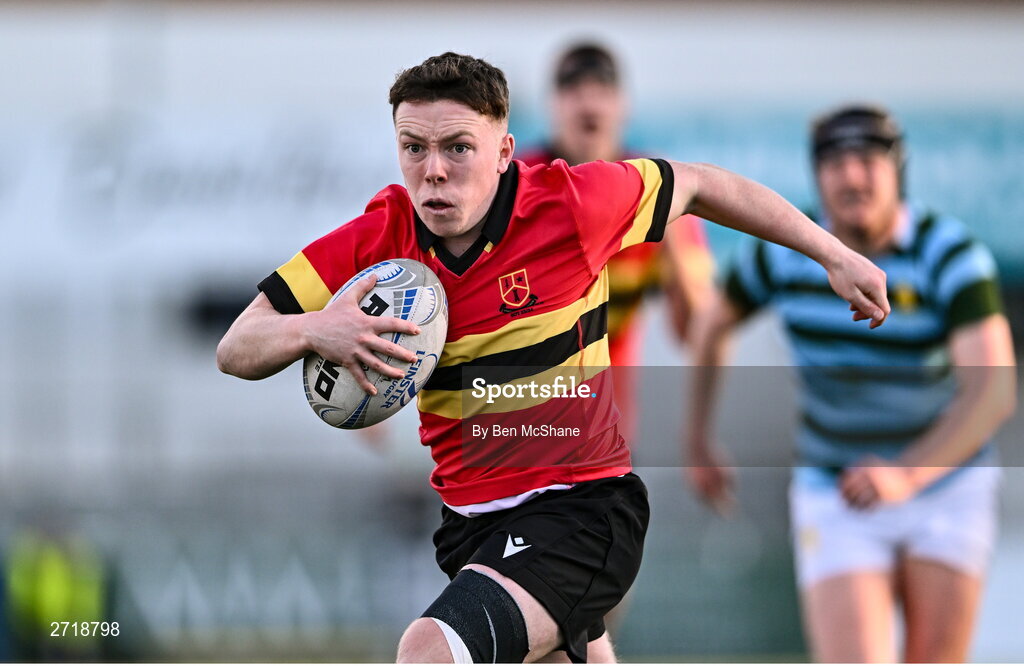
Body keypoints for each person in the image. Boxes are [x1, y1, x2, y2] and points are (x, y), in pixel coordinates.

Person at [216, 53, 889, 664]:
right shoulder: (378, 239)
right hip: (471, 525)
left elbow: (703, 185)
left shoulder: (571, 205)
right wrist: (319, 330)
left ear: (504, 153)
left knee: (427, 652)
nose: (434, 170)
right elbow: (237, 345)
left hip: (582, 509)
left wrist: (834, 255)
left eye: (458, 148)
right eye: (413, 148)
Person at [685, 104, 1016, 662]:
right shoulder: (784, 253)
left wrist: (906, 474)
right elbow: (710, 327)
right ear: (817, 175)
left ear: (897, 170)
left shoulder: (949, 255)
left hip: (944, 483)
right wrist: (697, 438)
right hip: (835, 487)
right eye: (835, 164)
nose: (852, 177)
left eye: (868, 161)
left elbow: (993, 391)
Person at [519, 43, 714, 443]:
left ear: (623, 105)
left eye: (602, 90)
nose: (589, 103)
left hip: (607, 431)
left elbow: (695, 334)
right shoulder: (514, 183)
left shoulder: (657, 189)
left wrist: (672, 234)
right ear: (552, 105)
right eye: (574, 90)